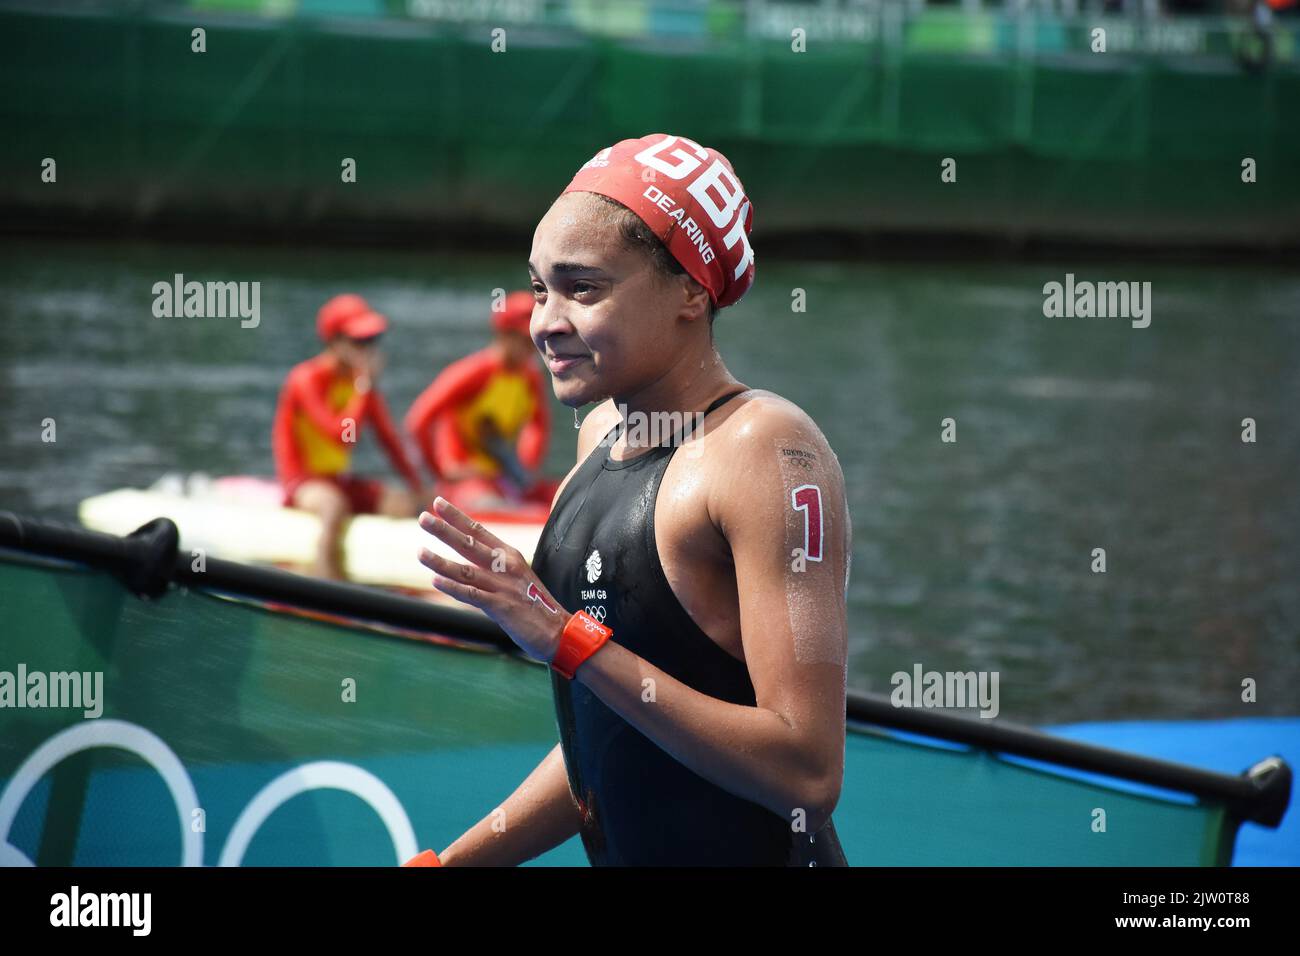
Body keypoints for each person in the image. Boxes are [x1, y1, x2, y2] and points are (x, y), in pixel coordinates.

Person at [411, 133, 851, 866]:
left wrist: (568, 641)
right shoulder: (598, 439)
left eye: (583, 290)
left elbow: (806, 773)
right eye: (538, 288)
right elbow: (618, 734)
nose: (547, 322)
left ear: (690, 290)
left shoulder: (763, 450)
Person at [272, 293, 423, 579]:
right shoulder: (305, 379)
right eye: (359, 342)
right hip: (302, 481)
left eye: (371, 342)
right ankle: (325, 585)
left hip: (339, 480)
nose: (367, 350)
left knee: (402, 502)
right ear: (334, 341)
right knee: (333, 506)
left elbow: (388, 440)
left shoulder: (357, 384)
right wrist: (364, 385)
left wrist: (418, 487)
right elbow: (340, 436)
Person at [404, 291, 556, 511]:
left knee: (568, 495)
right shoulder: (475, 372)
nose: (534, 349)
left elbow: (539, 426)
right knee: (493, 506)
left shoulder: (530, 377)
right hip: (466, 483)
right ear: (504, 334)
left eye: (538, 340)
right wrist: (439, 471)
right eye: (527, 340)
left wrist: (526, 468)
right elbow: (417, 421)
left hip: (501, 478)